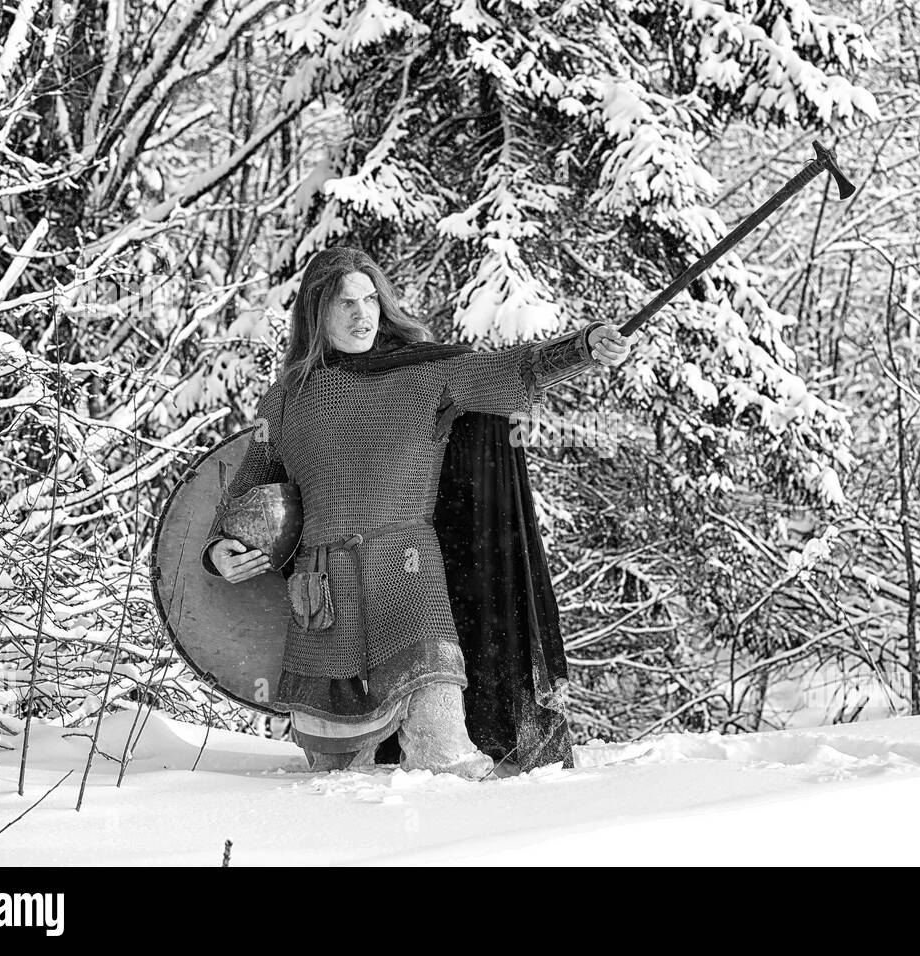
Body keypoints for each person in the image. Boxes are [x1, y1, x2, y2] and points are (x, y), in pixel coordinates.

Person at [199, 247, 634, 779]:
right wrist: (219, 546)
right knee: (332, 781)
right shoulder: (288, 398)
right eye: (345, 303)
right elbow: (250, 482)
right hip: (321, 602)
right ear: (316, 311)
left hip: (406, 578)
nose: (363, 316)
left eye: (370, 301)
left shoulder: (425, 375)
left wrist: (582, 347)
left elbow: (511, 368)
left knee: (447, 763)